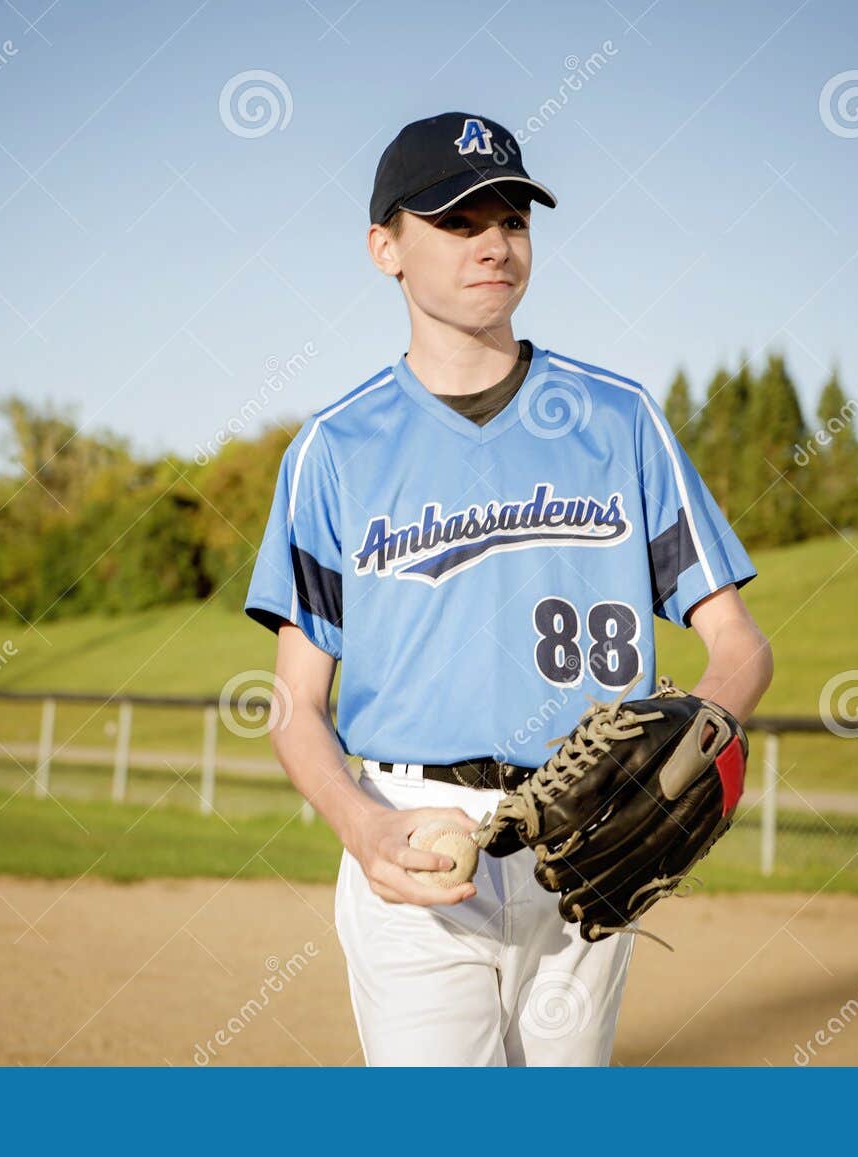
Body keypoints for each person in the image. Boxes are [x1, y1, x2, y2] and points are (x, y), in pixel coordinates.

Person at [244, 111, 773, 1066]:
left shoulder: (619, 419)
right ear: (385, 248)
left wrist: (689, 747)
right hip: (414, 836)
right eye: (458, 220)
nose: (495, 241)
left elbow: (739, 646)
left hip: (588, 837)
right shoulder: (336, 449)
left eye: (513, 216)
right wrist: (361, 828)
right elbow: (294, 704)